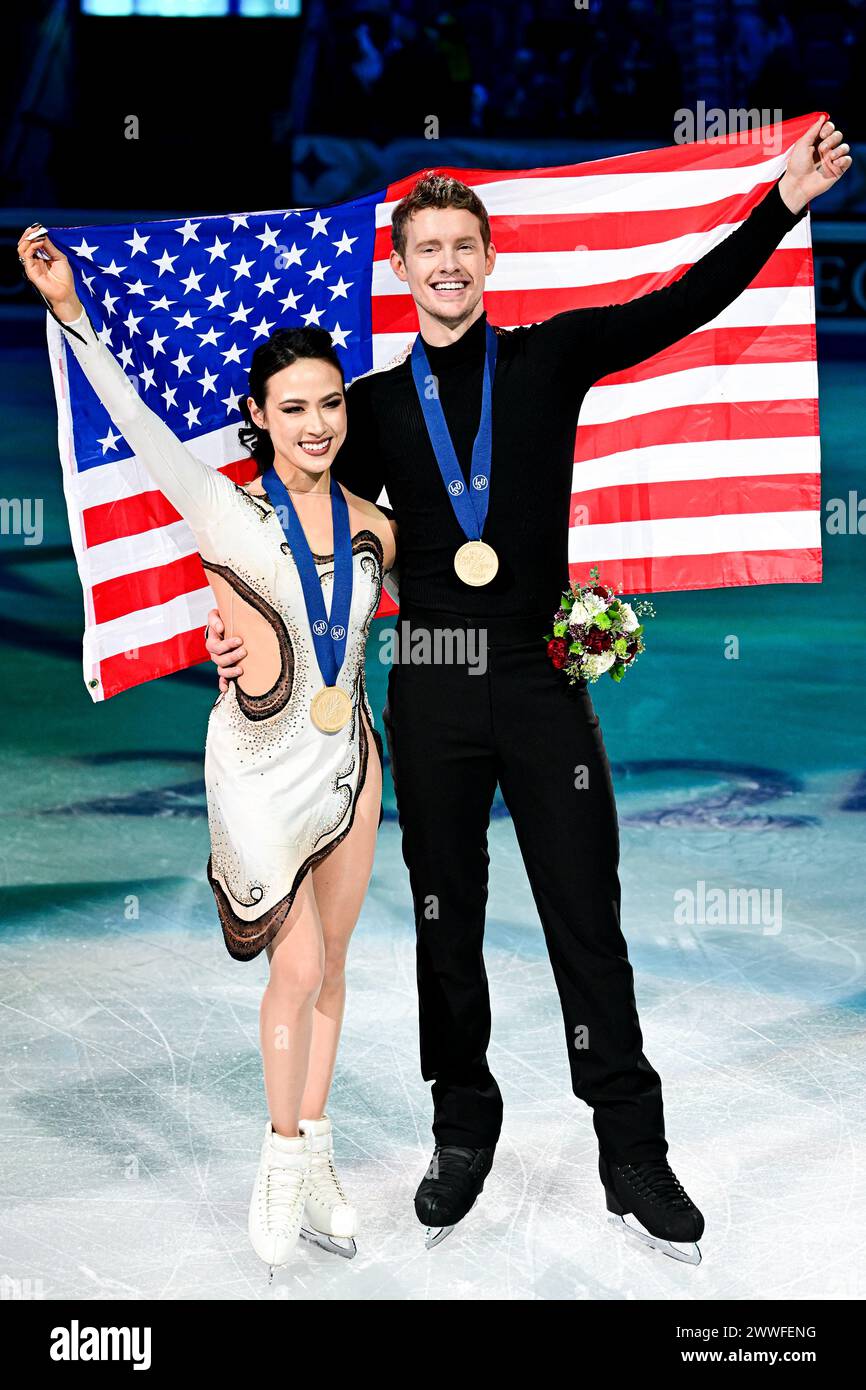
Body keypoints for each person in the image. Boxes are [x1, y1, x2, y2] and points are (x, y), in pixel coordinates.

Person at [206, 117, 851, 1263]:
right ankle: (463, 1128)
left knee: (582, 917)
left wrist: (782, 203)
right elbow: (286, 503)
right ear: (397, 269)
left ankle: (630, 1148)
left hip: (539, 680)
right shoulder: (369, 411)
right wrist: (241, 623)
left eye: (464, 245)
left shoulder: (548, 357)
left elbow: (676, 305)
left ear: (487, 260)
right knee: (444, 926)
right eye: (426, 250)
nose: (446, 265)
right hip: (434, 687)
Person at [19, 226, 397, 1276]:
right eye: (293, 407)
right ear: (259, 420)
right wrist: (74, 318)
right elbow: (137, 425)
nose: (316, 423)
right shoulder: (225, 512)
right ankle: (279, 1164)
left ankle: (316, 1155)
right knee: (300, 960)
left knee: (334, 971)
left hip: (350, 763)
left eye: (330, 403)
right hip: (257, 767)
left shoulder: (378, 524)